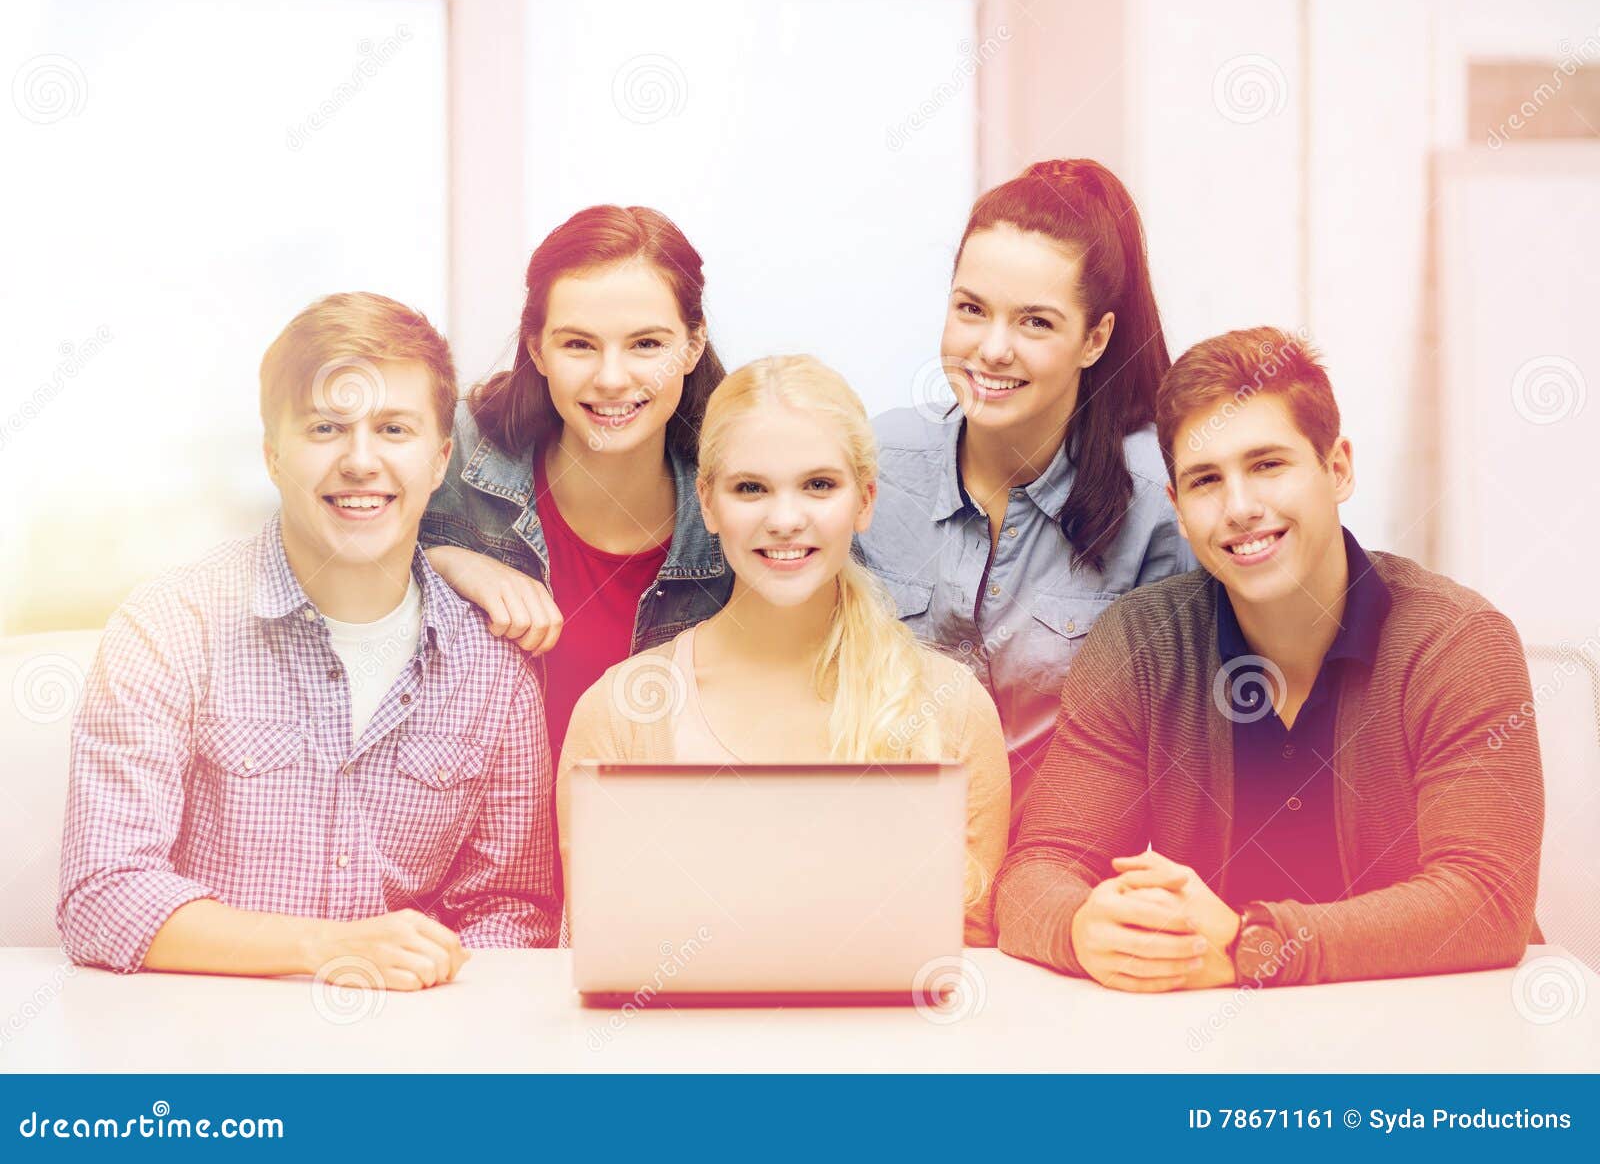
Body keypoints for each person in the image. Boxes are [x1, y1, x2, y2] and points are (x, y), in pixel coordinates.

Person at [995, 326, 1543, 989]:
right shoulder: (1137, 646)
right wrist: (1080, 926)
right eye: (1205, 480)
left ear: (1337, 467)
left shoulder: (1457, 643)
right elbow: (1035, 874)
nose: (1241, 508)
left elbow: (1486, 900)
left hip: (1429, 1046)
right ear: (1177, 506)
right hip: (1213, 1050)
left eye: (1267, 464)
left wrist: (1251, 945)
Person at [57, 293, 560, 989]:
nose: (360, 460)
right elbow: (103, 896)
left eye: (393, 429)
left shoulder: (496, 672)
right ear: (272, 454)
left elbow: (512, 914)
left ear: (440, 459)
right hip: (198, 1056)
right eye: (326, 427)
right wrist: (329, 947)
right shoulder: (169, 625)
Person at [560, 356, 1010, 944]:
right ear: (709, 504)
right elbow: (598, 953)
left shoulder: (952, 709)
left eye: (819, 485)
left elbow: (966, 952)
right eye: (751, 488)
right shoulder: (618, 713)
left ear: (865, 500)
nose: (785, 519)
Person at [858, 160, 1192, 833]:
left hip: (1074, 873)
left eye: (1035, 323)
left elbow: (1179, 751)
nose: (992, 349)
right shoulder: (874, 465)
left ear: (1094, 338)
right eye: (971, 309)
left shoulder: (1161, 501)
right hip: (884, 863)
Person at [421, 205, 732, 759]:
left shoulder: (746, 490)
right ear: (536, 347)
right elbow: (318, 571)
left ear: (693, 344)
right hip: (486, 840)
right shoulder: (455, 448)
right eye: (579, 345)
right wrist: (446, 561)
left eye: (646, 345)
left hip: (660, 836)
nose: (611, 379)